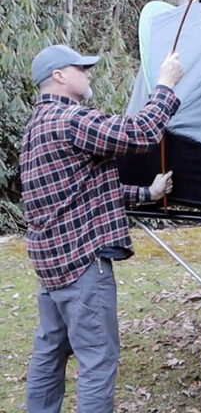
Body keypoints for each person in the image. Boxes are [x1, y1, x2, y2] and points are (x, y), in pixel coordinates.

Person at [20, 44, 183, 413]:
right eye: (81, 67)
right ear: (59, 76)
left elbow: (80, 192)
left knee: (49, 353)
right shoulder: (70, 120)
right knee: (98, 360)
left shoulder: (36, 128)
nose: (89, 72)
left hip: (51, 268)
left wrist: (148, 192)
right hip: (81, 268)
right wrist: (165, 85)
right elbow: (140, 133)